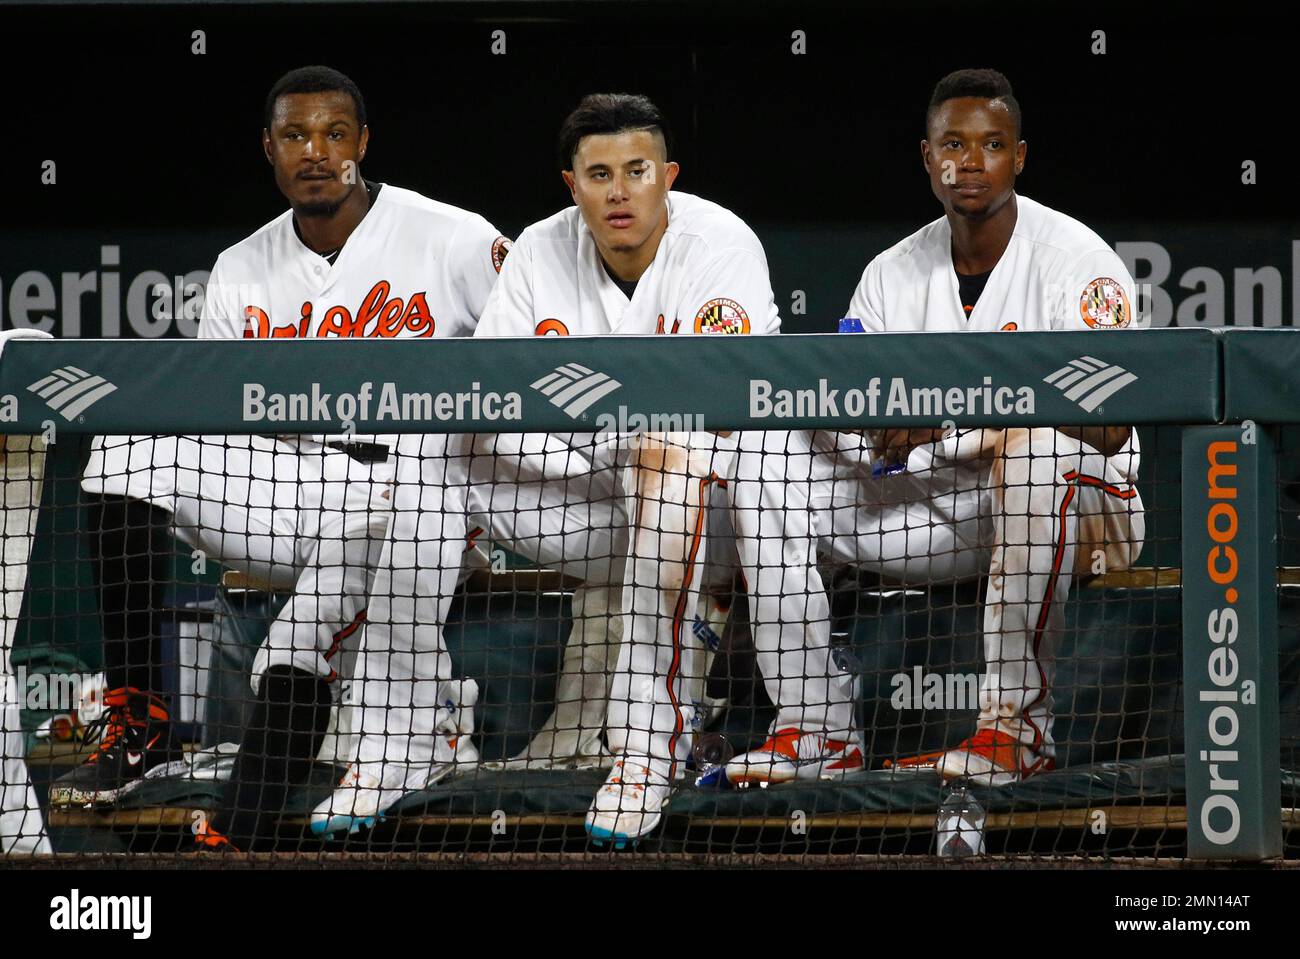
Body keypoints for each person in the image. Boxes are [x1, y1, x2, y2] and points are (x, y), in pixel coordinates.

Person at [313, 93, 860, 847]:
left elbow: (728, 409)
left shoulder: (720, 243)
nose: (619, 191)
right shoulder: (540, 249)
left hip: (723, 517)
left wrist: (614, 426)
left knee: (669, 451)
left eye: (637, 170)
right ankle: (403, 741)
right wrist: (606, 431)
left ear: (667, 174)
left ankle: (646, 750)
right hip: (594, 502)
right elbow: (496, 401)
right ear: (572, 184)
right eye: (599, 174)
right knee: (432, 448)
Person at [52, 66, 509, 851]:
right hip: (283, 484)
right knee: (126, 444)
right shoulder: (241, 266)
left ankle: (253, 817)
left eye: (335, 134)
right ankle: (141, 717)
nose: (316, 152)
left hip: (411, 497)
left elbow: (523, 366)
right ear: (269, 148)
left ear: (363, 143)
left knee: (295, 649)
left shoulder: (454, 236)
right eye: (296, 135)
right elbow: (215, 423)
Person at [789, 68, 1145, 786]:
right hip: (951, 506)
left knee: (1038, 449)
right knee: (772, 454)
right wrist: (880, 421)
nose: (970, 161)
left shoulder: (1078, 262)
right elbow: (850, 404)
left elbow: (1109, 429)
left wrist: (948, 415)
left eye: (991, 144)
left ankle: (1018, 734)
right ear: (928, 158)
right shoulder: (891, 272)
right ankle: (815, 730)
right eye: (953, 144)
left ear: (1019, 157)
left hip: (1089, 510)